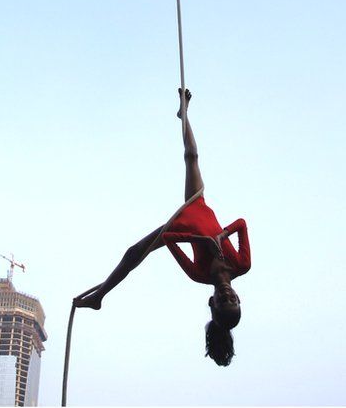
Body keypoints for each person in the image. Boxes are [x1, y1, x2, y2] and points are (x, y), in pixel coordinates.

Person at [73, 88, 251, 366]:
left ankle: (99, 296)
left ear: (212, 302)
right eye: (234, 300)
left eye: (223, 301)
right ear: (239, 298)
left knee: (134, 253)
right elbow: (241, 224)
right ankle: (184, 115)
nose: (228, 296)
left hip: (181, 223)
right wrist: (222, 235)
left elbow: (169, 238)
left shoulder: (200, 274)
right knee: (192, 155)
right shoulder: (241, 265)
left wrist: (202, 241)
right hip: (198, 204)